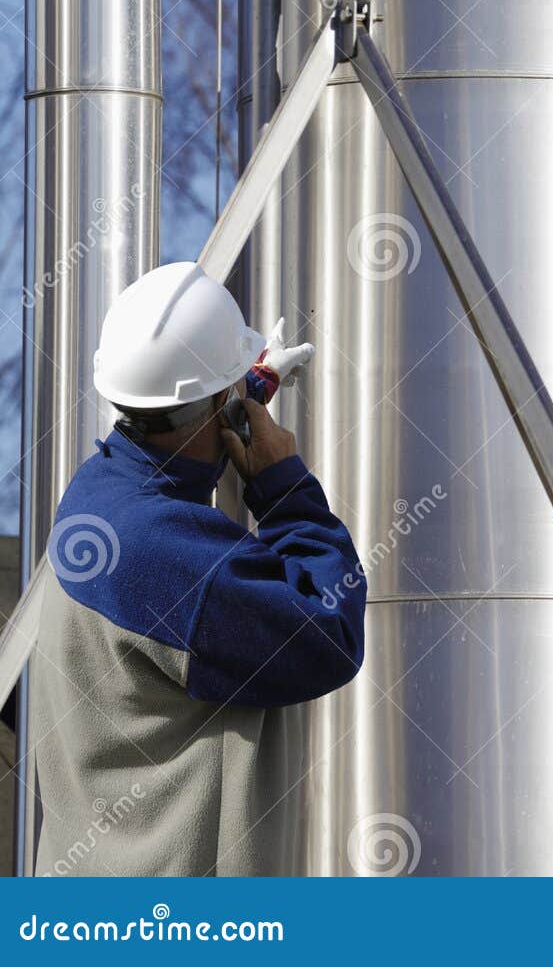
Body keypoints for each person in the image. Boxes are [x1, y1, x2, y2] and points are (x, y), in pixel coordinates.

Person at [30, 261, 366, 878]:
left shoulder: (100, 496)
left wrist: (243, 395)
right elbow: (330, 633)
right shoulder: (167, 555)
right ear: (212, 403)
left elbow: (177, 448)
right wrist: (283, 489)